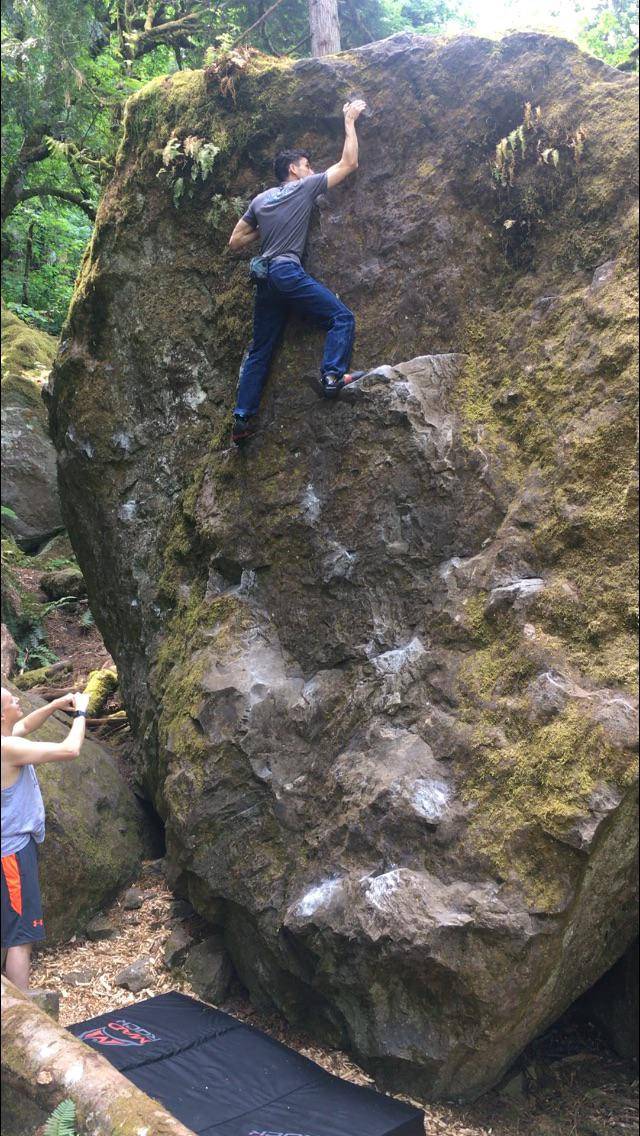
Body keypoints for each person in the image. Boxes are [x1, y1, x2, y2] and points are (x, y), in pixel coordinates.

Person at [228, 98, 368, 444]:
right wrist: (349, 120)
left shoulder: (260, 200)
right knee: (342, 318)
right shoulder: (304, 188)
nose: (310, 169)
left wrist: (269, 227)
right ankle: (332, 377)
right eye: (306, 165)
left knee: (260, 350)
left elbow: (236, 240)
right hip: (288, 273)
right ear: (294, 170)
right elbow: (349, 163)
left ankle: (242, 420)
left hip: (266, 281)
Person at [1, 686, 89, 990]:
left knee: (8, 930)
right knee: (20, 937)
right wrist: (81, 712)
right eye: (11, 700)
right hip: (11, 853)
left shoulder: (8, 739)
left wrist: (54, 705)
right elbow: (70, 750)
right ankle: (23, 1017)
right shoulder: (7, 749)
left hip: (8, 851)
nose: (17, 700)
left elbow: (25, 725)